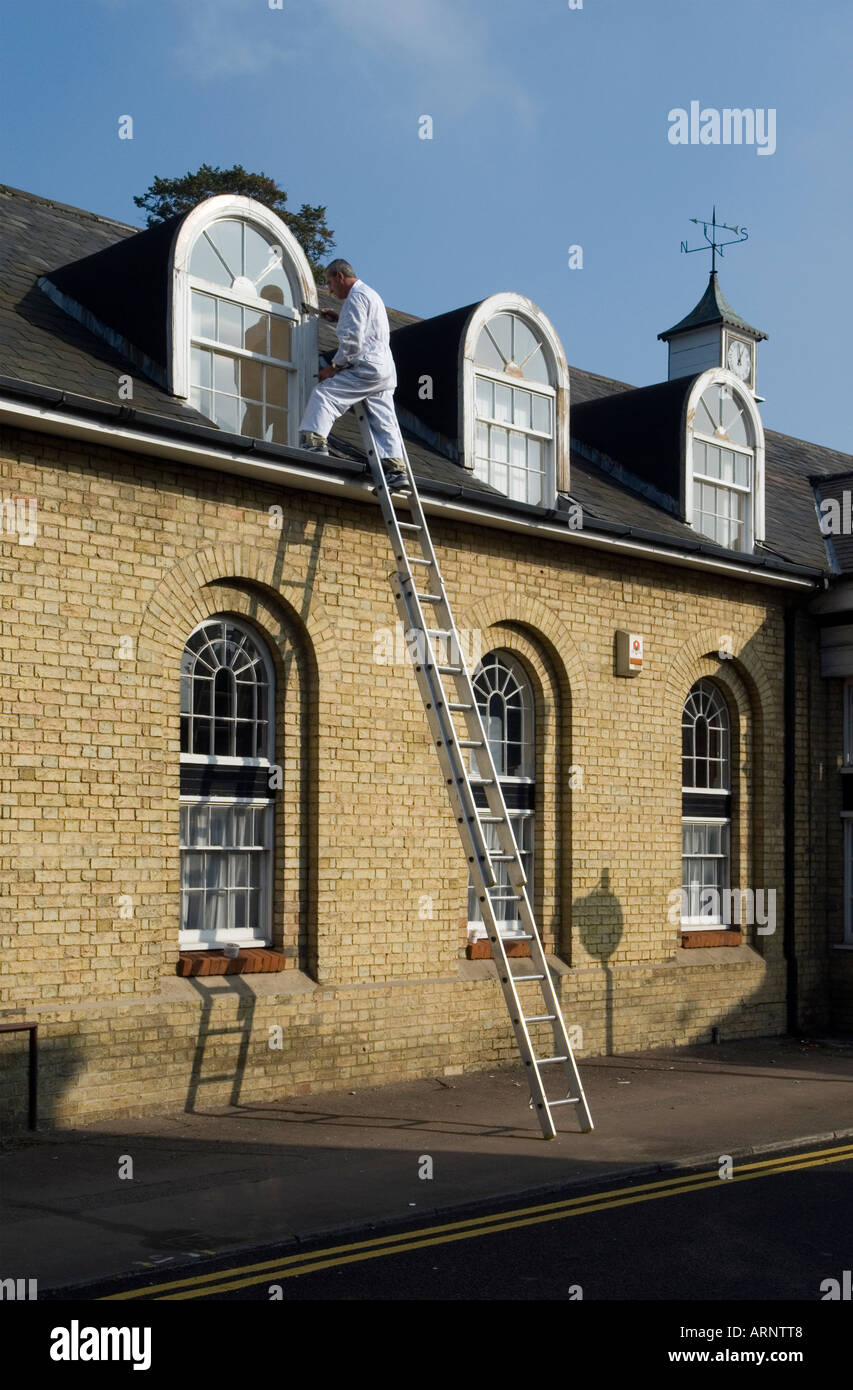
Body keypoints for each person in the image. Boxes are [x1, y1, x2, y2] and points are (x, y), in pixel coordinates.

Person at [299, 260, 410, 493]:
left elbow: (352, 341)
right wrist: (340, 317)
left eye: (330, 283)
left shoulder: (356, 298)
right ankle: (396, 470)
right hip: (385, 370)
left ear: (340, 276)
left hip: (366, 367)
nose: (330, 290)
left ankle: (314, 442)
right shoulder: (370, 295)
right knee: (383, 418)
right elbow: (367, 327)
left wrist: (334, 367)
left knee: (325, 394)